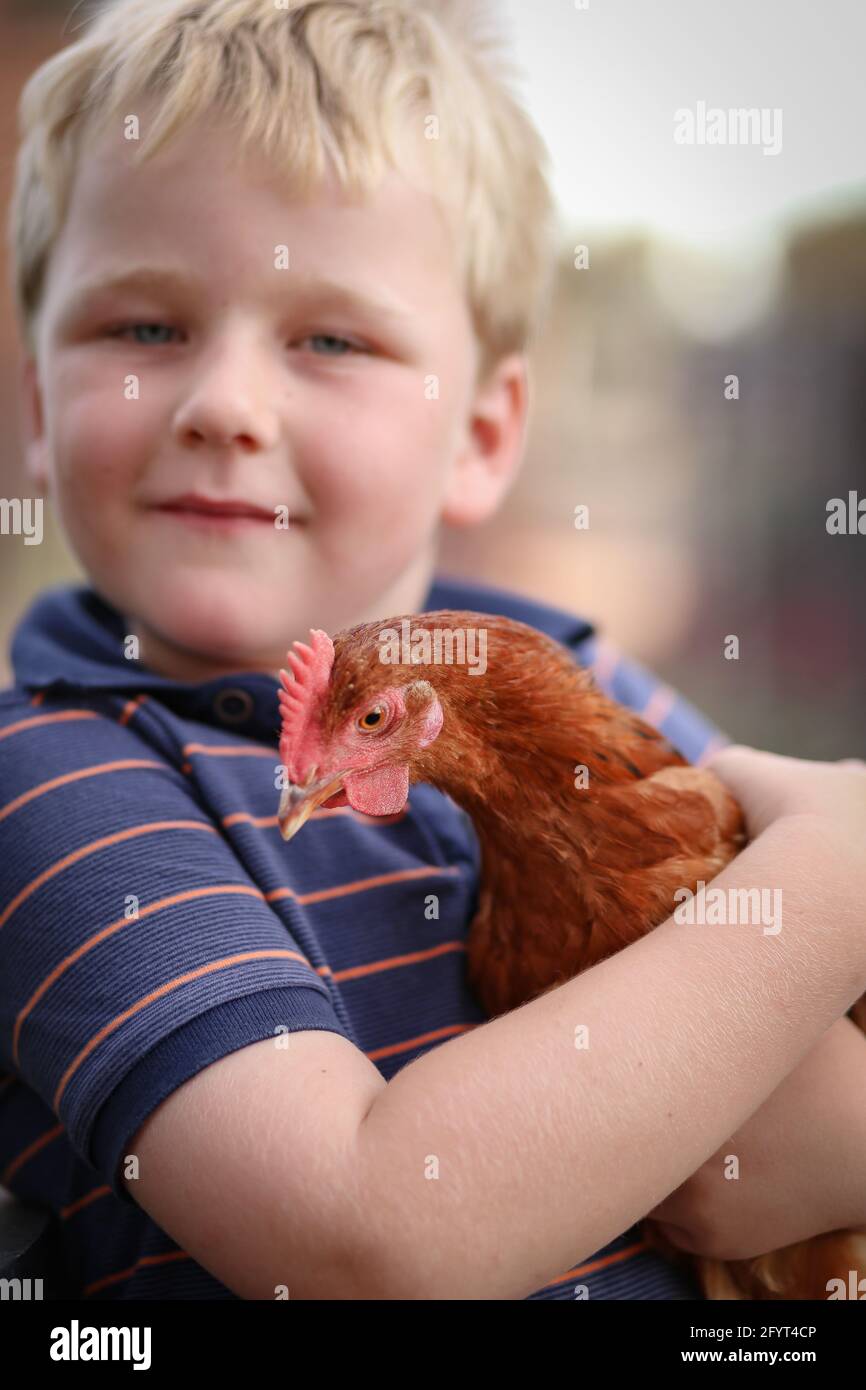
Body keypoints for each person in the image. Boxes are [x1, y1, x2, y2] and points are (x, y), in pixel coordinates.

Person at [1, 0, 865, 1301]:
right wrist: (836, 878)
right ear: (33, 407)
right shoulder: (53, 780)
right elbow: (353, 1237)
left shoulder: (580, 682)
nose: (224, 405)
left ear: (481, 430)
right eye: (143, 328)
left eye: (330, 339)